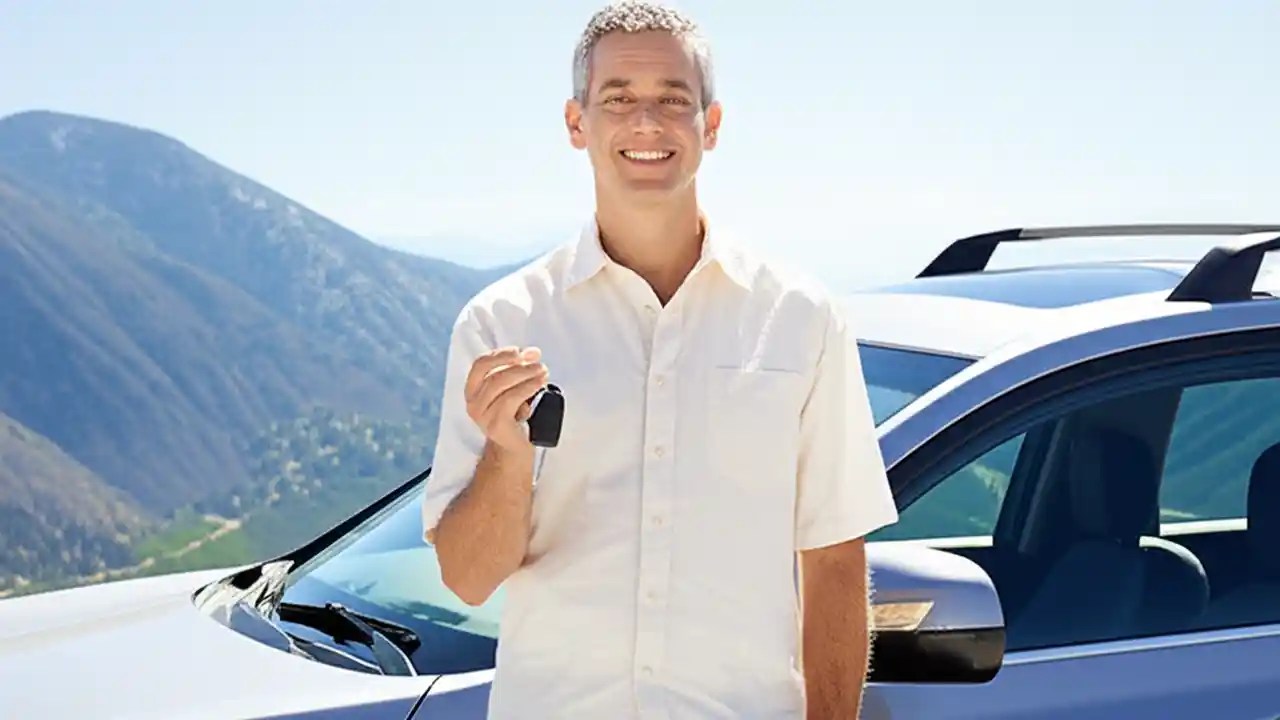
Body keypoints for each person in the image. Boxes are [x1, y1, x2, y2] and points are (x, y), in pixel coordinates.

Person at [421, 2, 899, 718]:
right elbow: (466, 578)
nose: (646, 123)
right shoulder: (503, 323)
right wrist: (506, 457)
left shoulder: (801, 318)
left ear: (710, 124)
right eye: (618, 99)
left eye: (672, 100)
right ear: (577, 124)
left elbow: (833, 560)